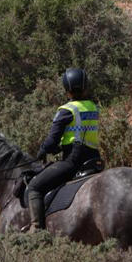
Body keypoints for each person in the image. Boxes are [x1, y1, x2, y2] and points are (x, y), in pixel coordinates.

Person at [27, 67, 101, 232]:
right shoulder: (93, 107)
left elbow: (52, 140)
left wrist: (43, 150)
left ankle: (36, 230)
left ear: (67, 90)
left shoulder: (67, 110)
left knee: (34, 187)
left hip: (73, 161)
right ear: (85, 86)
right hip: (94, 160)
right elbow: (81, 132)